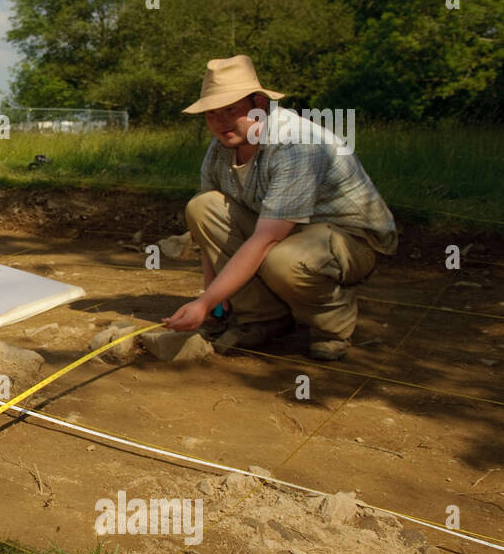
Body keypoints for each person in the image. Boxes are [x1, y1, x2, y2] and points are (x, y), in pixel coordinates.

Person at [162, 55, 398, 361]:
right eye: (211, 114)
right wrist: (216, 307)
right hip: (284, 229)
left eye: (231, 110)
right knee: (202, 207)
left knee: (282, 259)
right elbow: (208, 237)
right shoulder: (222, 147)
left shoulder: (295, 144)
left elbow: (267, 240)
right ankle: (263, 318)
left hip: (351, 239)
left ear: (259, 103)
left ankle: (332, 326)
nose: (220, 123)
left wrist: (205, 302)